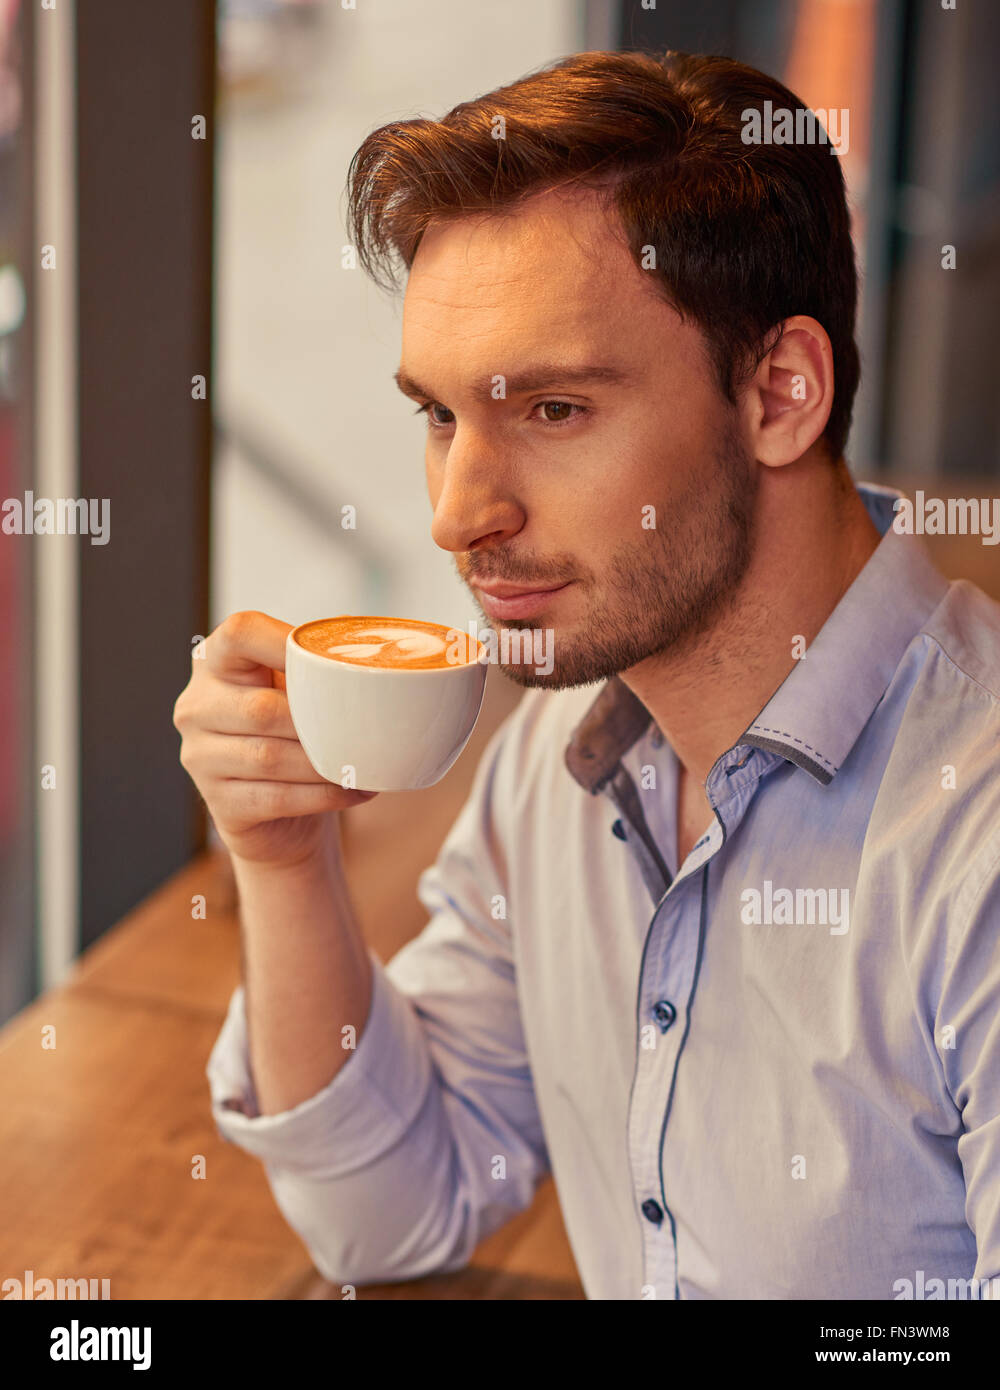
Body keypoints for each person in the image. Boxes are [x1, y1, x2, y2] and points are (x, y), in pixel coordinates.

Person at [174, 50, 1000, 1299]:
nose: (459, 515)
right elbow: (394, 1208)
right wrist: (284, 858)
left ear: (782, 391)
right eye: (441, 417)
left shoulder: (971, 844)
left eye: (553, 411)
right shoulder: (563, 775)